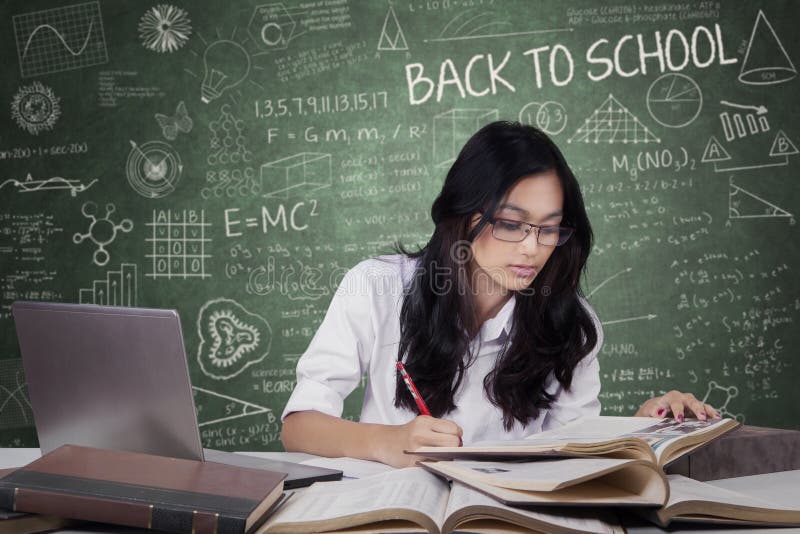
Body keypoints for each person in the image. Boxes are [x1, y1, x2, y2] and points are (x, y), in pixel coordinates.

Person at [281, 121, 719, 468]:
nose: (533, 247)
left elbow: (576, 453)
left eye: (549, 228)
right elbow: (299, 426)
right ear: (464, 217)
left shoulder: (570, 324)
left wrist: (642, 429)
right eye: (511, 224)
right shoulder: (378, 287)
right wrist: (385, 441)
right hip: (397, 511)